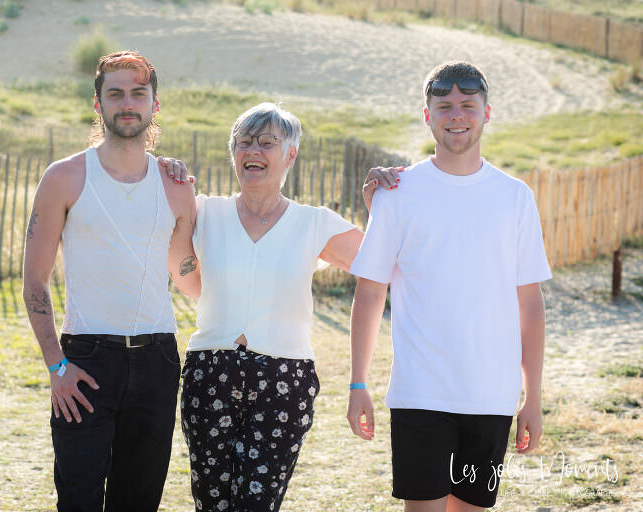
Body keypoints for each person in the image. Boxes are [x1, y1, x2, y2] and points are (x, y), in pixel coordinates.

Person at [167, 102, 400, 512]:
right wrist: (172, 195)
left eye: (267, 142)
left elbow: (384, 264)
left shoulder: (314, 223)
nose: (252, 150)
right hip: (210, 373)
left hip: (285, 377)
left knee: (257, 505)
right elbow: (190, 284)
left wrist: (378, 208)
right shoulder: (205, 211)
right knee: (212, 503)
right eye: (244, 142)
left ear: (290, 154)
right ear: (233, 152)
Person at [347, 61, 550, 511]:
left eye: (467, 105)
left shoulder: (514, 196)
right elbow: (369, 291)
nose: (456, 115)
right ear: (427, 115)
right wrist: (358, 382)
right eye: (444, 106)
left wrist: (532, 398)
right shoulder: (397, 192)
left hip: (492, 397)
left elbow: (530, 306)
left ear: (487, 112)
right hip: (421, 393)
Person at [22, 50, 198, 512]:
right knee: (78, 503)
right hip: (86, 362)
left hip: (159, 360)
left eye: (139, 94)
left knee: (138, 504)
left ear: (155, 104)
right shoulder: (63, 177)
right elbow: (34, 282)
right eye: (115, 93)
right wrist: (56, 366)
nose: (127, 103)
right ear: (97, 102)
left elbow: (184, 271)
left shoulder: (176, 184)